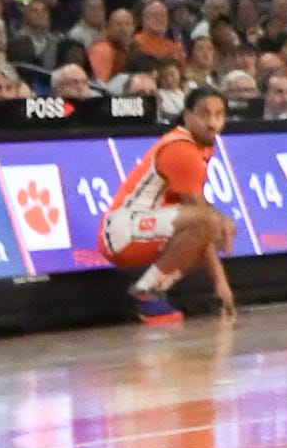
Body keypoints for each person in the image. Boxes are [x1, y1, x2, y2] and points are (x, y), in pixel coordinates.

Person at [99, 84, 236, 324]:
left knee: (211, 226)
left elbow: (201, 231)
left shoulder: (202, 147)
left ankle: (152, 291)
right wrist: (221, 283)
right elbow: (205, 221)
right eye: (205, 114)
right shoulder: (181, 149)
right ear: (187, 116)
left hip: (143, 225)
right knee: (213, 222)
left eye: (219, 114)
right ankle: (145, 291)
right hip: (122, 229)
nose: (213, 122)